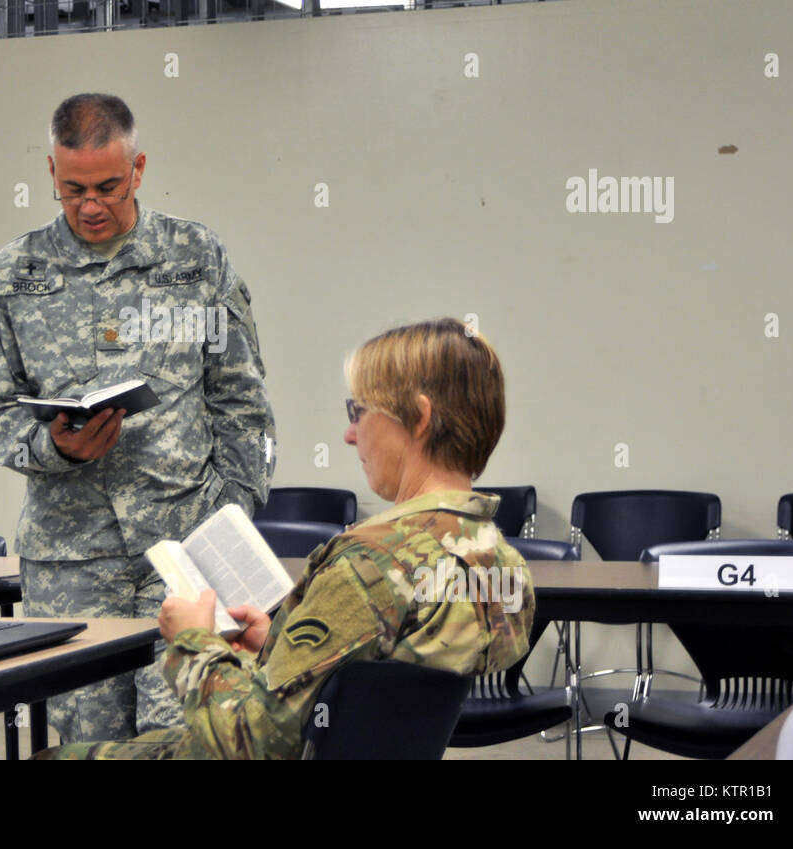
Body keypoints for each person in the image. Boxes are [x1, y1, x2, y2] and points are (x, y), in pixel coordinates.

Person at [42, 317, 534, 759]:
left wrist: (192, 639)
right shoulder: (502, 561)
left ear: (419, 418)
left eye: (358, 411)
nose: (348, 434)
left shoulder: (371, 564)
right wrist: (276, 649)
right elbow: (369, 695)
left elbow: (251, 742)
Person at [0, 93, 275, 743]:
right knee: (87, 745)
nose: (91, 204)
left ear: (138, 169)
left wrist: (233, 514)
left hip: (188, 555)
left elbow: (242, 400)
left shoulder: (195, 257)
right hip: (74, 566)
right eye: (72, 189)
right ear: (50, 172)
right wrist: (53, 447)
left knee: (191, 741)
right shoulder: (14, 274)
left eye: (107, 185)